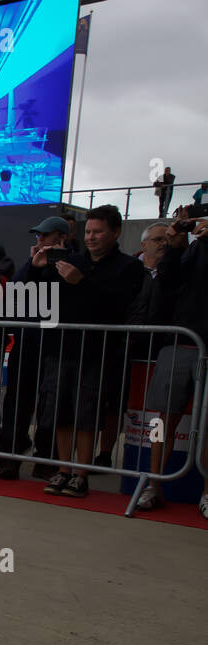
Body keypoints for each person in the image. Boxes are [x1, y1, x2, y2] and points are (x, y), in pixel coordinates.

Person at [27, 205, 144, 497]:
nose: (92, 237)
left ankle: (81, 473)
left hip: (96, 352)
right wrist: (37, 268)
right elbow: (38, 296)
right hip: (60, 347)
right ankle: (63, 469)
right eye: (89, 231)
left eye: (99, 231)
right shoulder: (71, 259)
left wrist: (82, 283)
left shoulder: (128, 267)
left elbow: (118, 306)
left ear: (115, 232)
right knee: (61, 411)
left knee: (86, 413)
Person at [139, 214, 208, 514]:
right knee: (163, 420)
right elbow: (167, 284)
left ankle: (207, 493)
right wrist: (176, 247)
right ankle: (153, 485)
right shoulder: (193, 247)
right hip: (179, 341)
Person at [0, 216, 70, 480]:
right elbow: (16, 290)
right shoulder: (31, 265)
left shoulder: (73, 262)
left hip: (57, 343)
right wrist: (32, 264)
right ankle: (9, 459)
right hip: (27, 341)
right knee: (17, 400)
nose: (40, 241)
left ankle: (46, 459)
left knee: (51, 403)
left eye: (45, 236)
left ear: (61, 237)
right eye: (38, 236)